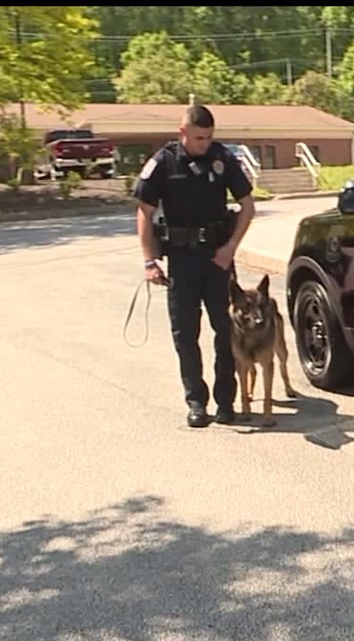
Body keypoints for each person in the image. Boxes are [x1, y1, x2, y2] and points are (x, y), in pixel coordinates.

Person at [133, 104, 256, 428]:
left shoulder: (223, 159)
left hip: (218, 259)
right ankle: (196, 402)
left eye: (209, 137)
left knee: (226, 330)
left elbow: (247, 206)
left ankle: (226, 402)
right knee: (185, 334)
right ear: (182, 132)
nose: (205, 143)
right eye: (200, 137)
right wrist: (150, 261)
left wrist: (230, 248)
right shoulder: (164, 162)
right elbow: (145, 210)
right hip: (182, 260)